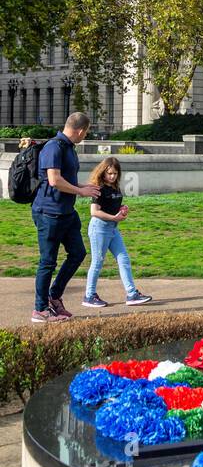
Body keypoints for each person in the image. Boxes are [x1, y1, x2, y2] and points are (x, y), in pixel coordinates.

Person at [31, 112, 99, 323]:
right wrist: (81, 193)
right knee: (47, 262)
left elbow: (66, 180)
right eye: (85, 132)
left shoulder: (69, 148)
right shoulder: (53, 147)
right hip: (49, 213)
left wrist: (83, 187)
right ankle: (40, 310)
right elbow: (54, 180)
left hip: (66, 213)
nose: (84, 136)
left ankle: (54, 296)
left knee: (78, 253)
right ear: (80, 130)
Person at [83, 157, 152, 308]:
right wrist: (113, 217)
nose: (112, 176)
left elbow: (113, 206)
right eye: (109, 173)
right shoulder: (99, 189)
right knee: (97, 262)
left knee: (124, 259)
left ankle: (132, 294)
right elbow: (94, 212)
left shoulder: (115, 188)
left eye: (115, 173)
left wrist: (122, 209)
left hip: (113, 228)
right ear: (103, 173)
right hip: (99, 228)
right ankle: (89, 296)